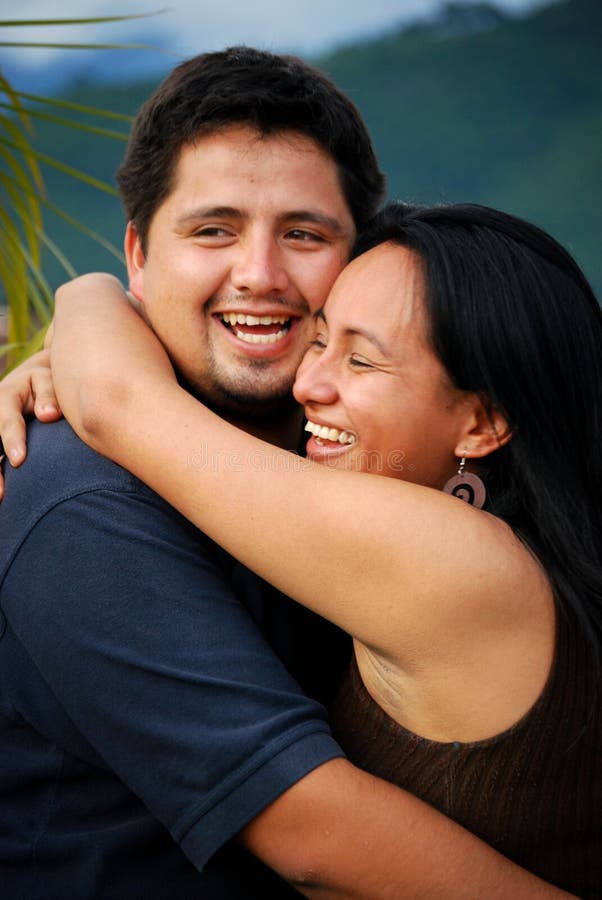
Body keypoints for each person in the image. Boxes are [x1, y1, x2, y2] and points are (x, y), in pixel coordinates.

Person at [0, 46, 567, 899]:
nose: (260, 276)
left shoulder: (369, 454)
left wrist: (88, 310)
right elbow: (312, 835)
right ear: (139, 256)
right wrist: (89, 311)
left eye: (304, 234)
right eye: (212, 230)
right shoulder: (78, 494)